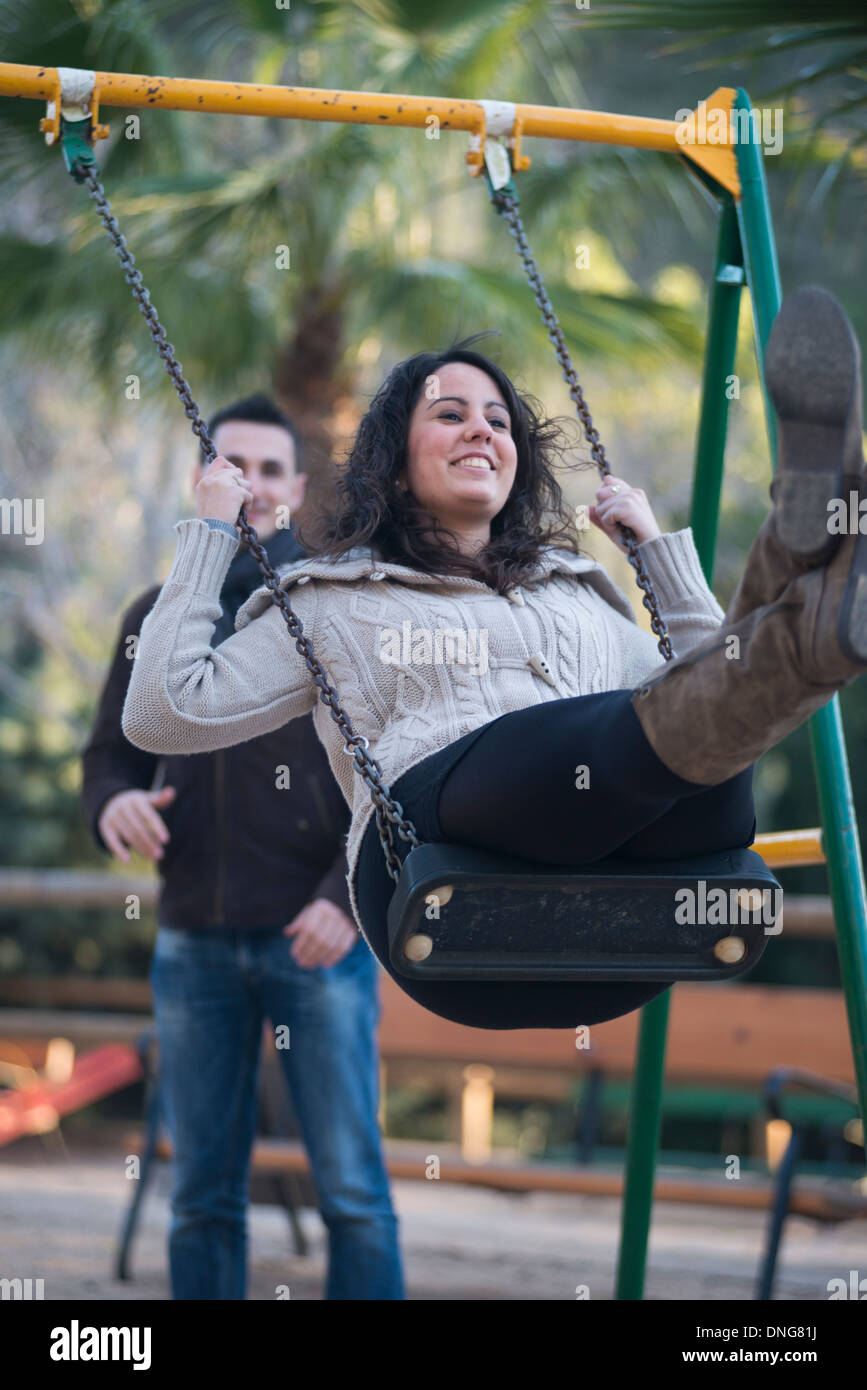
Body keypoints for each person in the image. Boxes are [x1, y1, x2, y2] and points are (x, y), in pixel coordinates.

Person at [120, 288, 866, 1033]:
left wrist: (658, 558)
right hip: (446, 897)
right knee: (615, 732)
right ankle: (802, 583)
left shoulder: (576, 599)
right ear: (396, 464)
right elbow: (162, 710)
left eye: (497, 420)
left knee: (701, 741)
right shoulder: (329, 600)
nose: (480, 428)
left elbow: (724, 692)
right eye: (450, 414)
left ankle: (798, 553)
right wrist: (211, 532)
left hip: (634, 927)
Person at [81, 394, 404, 1300]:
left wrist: (345, 904)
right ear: (204, 481)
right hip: (193, 942)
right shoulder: (157, 612)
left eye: (270, 470)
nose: (253, 486)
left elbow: (395, 774)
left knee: (352, 1195)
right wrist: (112, 807)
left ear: (296, 488)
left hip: (319, 942)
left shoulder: (336, 606)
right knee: (201, 1199)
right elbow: (109, 755)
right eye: (234, 467)